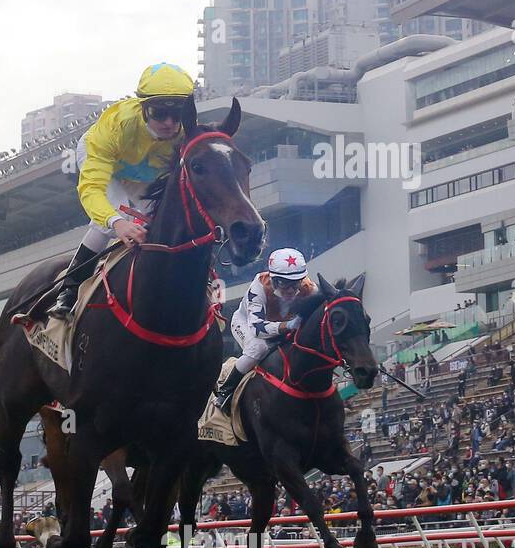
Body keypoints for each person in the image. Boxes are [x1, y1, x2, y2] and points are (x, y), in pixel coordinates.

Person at [46, 62, 196, 319]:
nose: (170, 123)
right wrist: (117, 223)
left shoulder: (187, 129)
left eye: (178, 114)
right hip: (109, 165)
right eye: (160, 113)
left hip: (148, 172)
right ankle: (68, 291)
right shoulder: (117, 126)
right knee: (112, 220)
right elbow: (92, 188)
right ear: (144, 108)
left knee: (159, 224)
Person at [213, 248, 315, 409]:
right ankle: (226, 391)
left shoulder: (309, 289)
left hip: (281, 327)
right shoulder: (259, 285)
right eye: (284, 283)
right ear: (273, 279)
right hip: (247, 323)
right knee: (258, 348)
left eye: (295, 283)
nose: (290, 289)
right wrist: (288, 325)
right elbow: (257, 329)